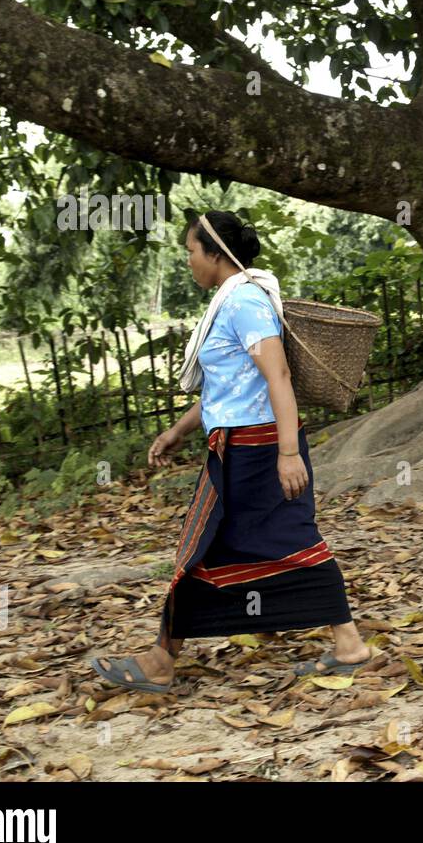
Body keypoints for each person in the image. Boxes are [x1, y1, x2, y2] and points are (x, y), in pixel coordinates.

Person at [89, 210, 374, 693]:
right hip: (239, 444)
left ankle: (162, 660)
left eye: (191, 252)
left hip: (257, 449)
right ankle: (346, 643)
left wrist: (288, 455)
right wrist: (179, 429)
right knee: (255, 543)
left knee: (225, 545)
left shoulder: (244, 303)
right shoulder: (233, 301)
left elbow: (277, 377)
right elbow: (228, 389)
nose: (188, 262)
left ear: (216, 254)